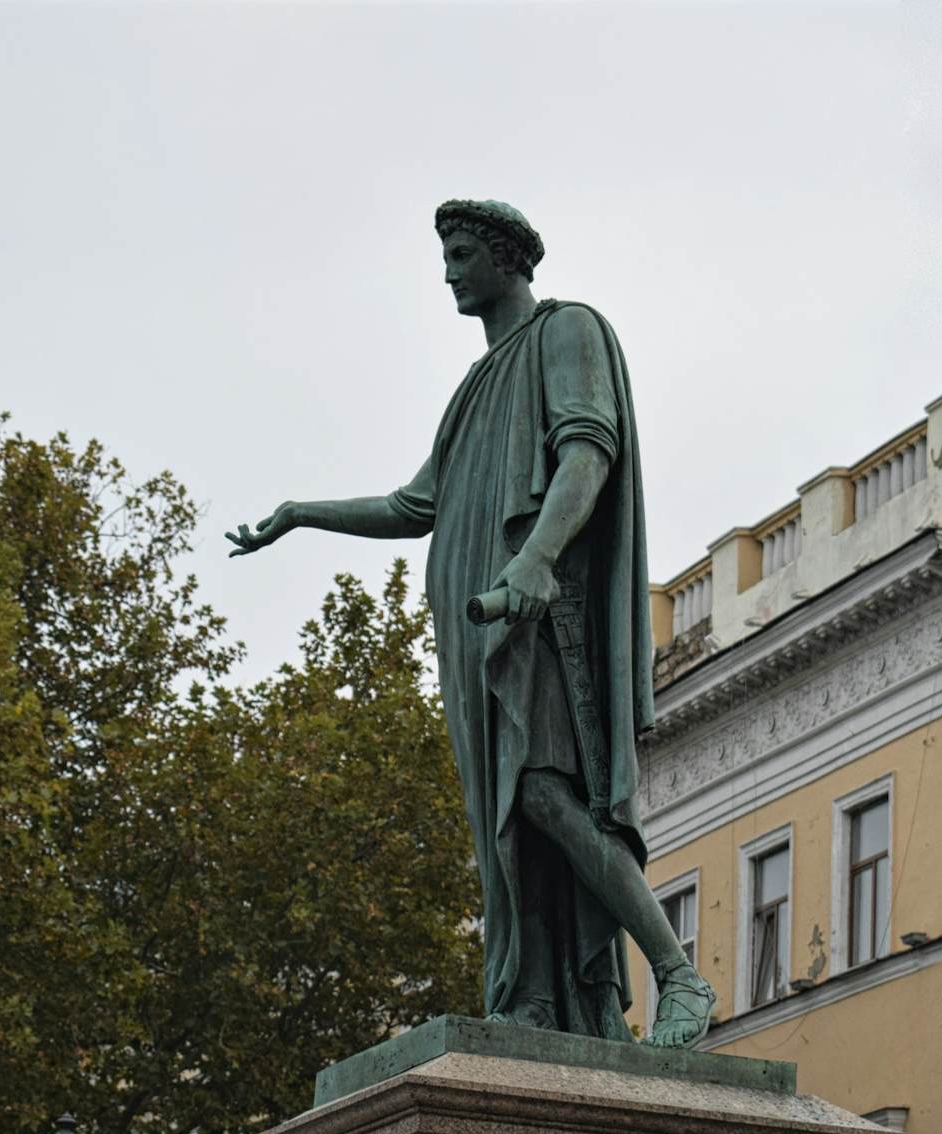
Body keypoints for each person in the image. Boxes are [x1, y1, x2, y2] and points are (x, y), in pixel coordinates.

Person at [227, 199, 715, 1049]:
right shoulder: (474, 391)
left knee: (544, 794)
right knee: (509, 820)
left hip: (538, 619)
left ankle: (680, 974)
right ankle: (530, 997)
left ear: (505, 257)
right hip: (476, 640)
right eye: (445, 257)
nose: (449, 272)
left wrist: (535, 559)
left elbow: (587, 449)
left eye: (460, 255)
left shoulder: (567, 331)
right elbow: (414, 504)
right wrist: (300, 513)